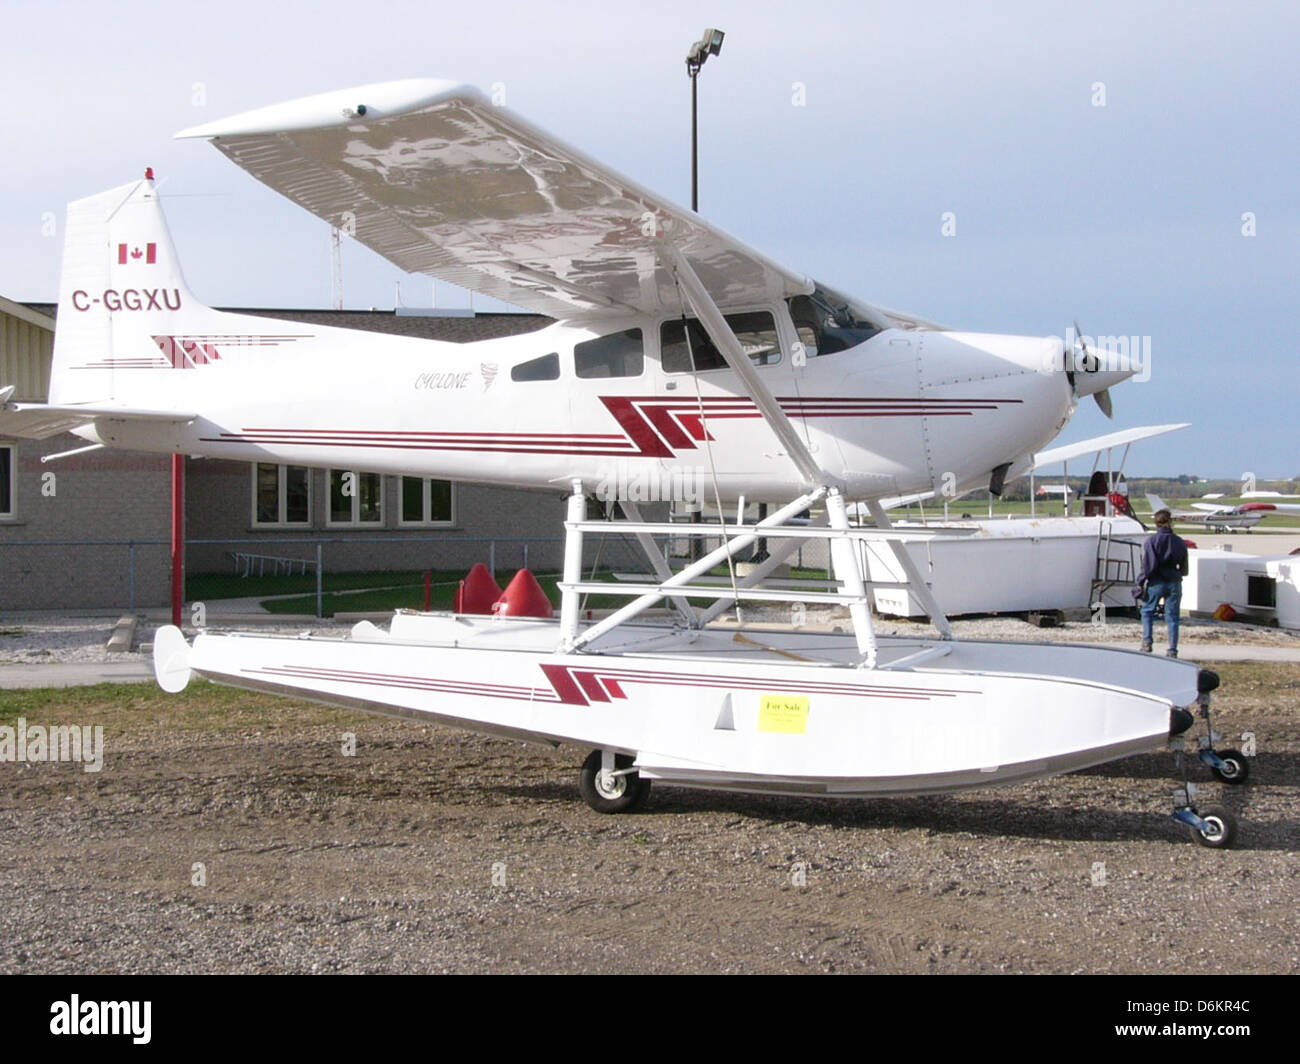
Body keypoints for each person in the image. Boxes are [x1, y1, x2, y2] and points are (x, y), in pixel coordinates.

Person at [1136, 508, 1189, 656]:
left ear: (1156, 523)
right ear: (1170, 522)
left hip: (1156, 580)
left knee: (1147, 611)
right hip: (1174, 580)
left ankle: (1147, 642)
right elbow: (1184, 568)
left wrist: (1140, 581)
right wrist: (1179, 573)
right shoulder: (1179, 542)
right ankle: (1172, 649)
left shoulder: (1151, 541)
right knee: (1172, 617)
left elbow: (1148, 565)